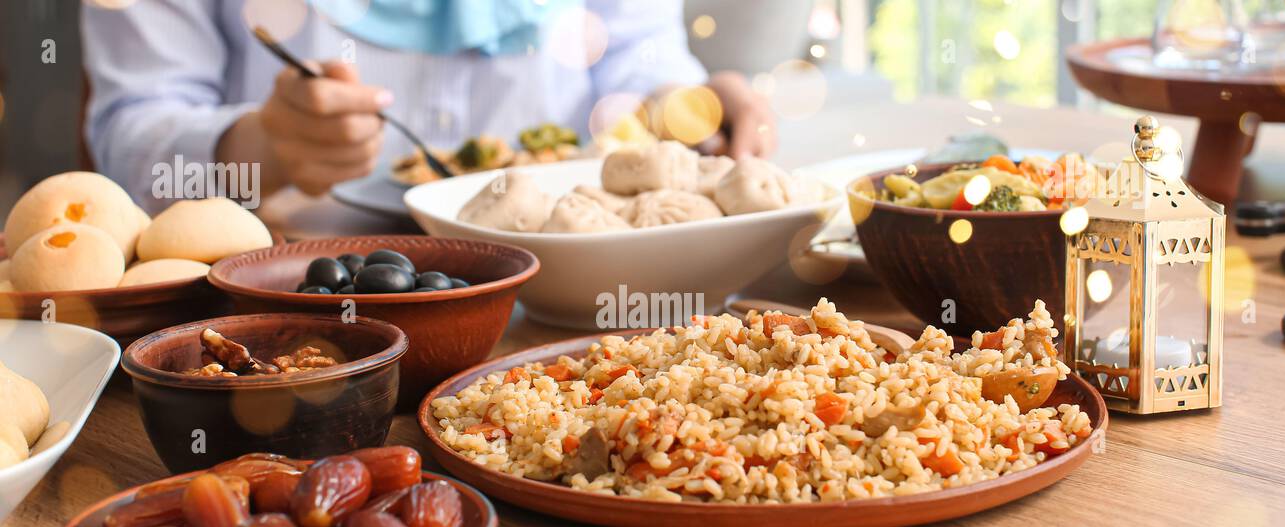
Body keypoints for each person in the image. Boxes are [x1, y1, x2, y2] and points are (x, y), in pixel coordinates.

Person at [81, 0, 777, 210]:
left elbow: (636, 59)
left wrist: (691, 106)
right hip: (283, 314)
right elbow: (127, 132)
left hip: (568, 307)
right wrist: (266, 148)